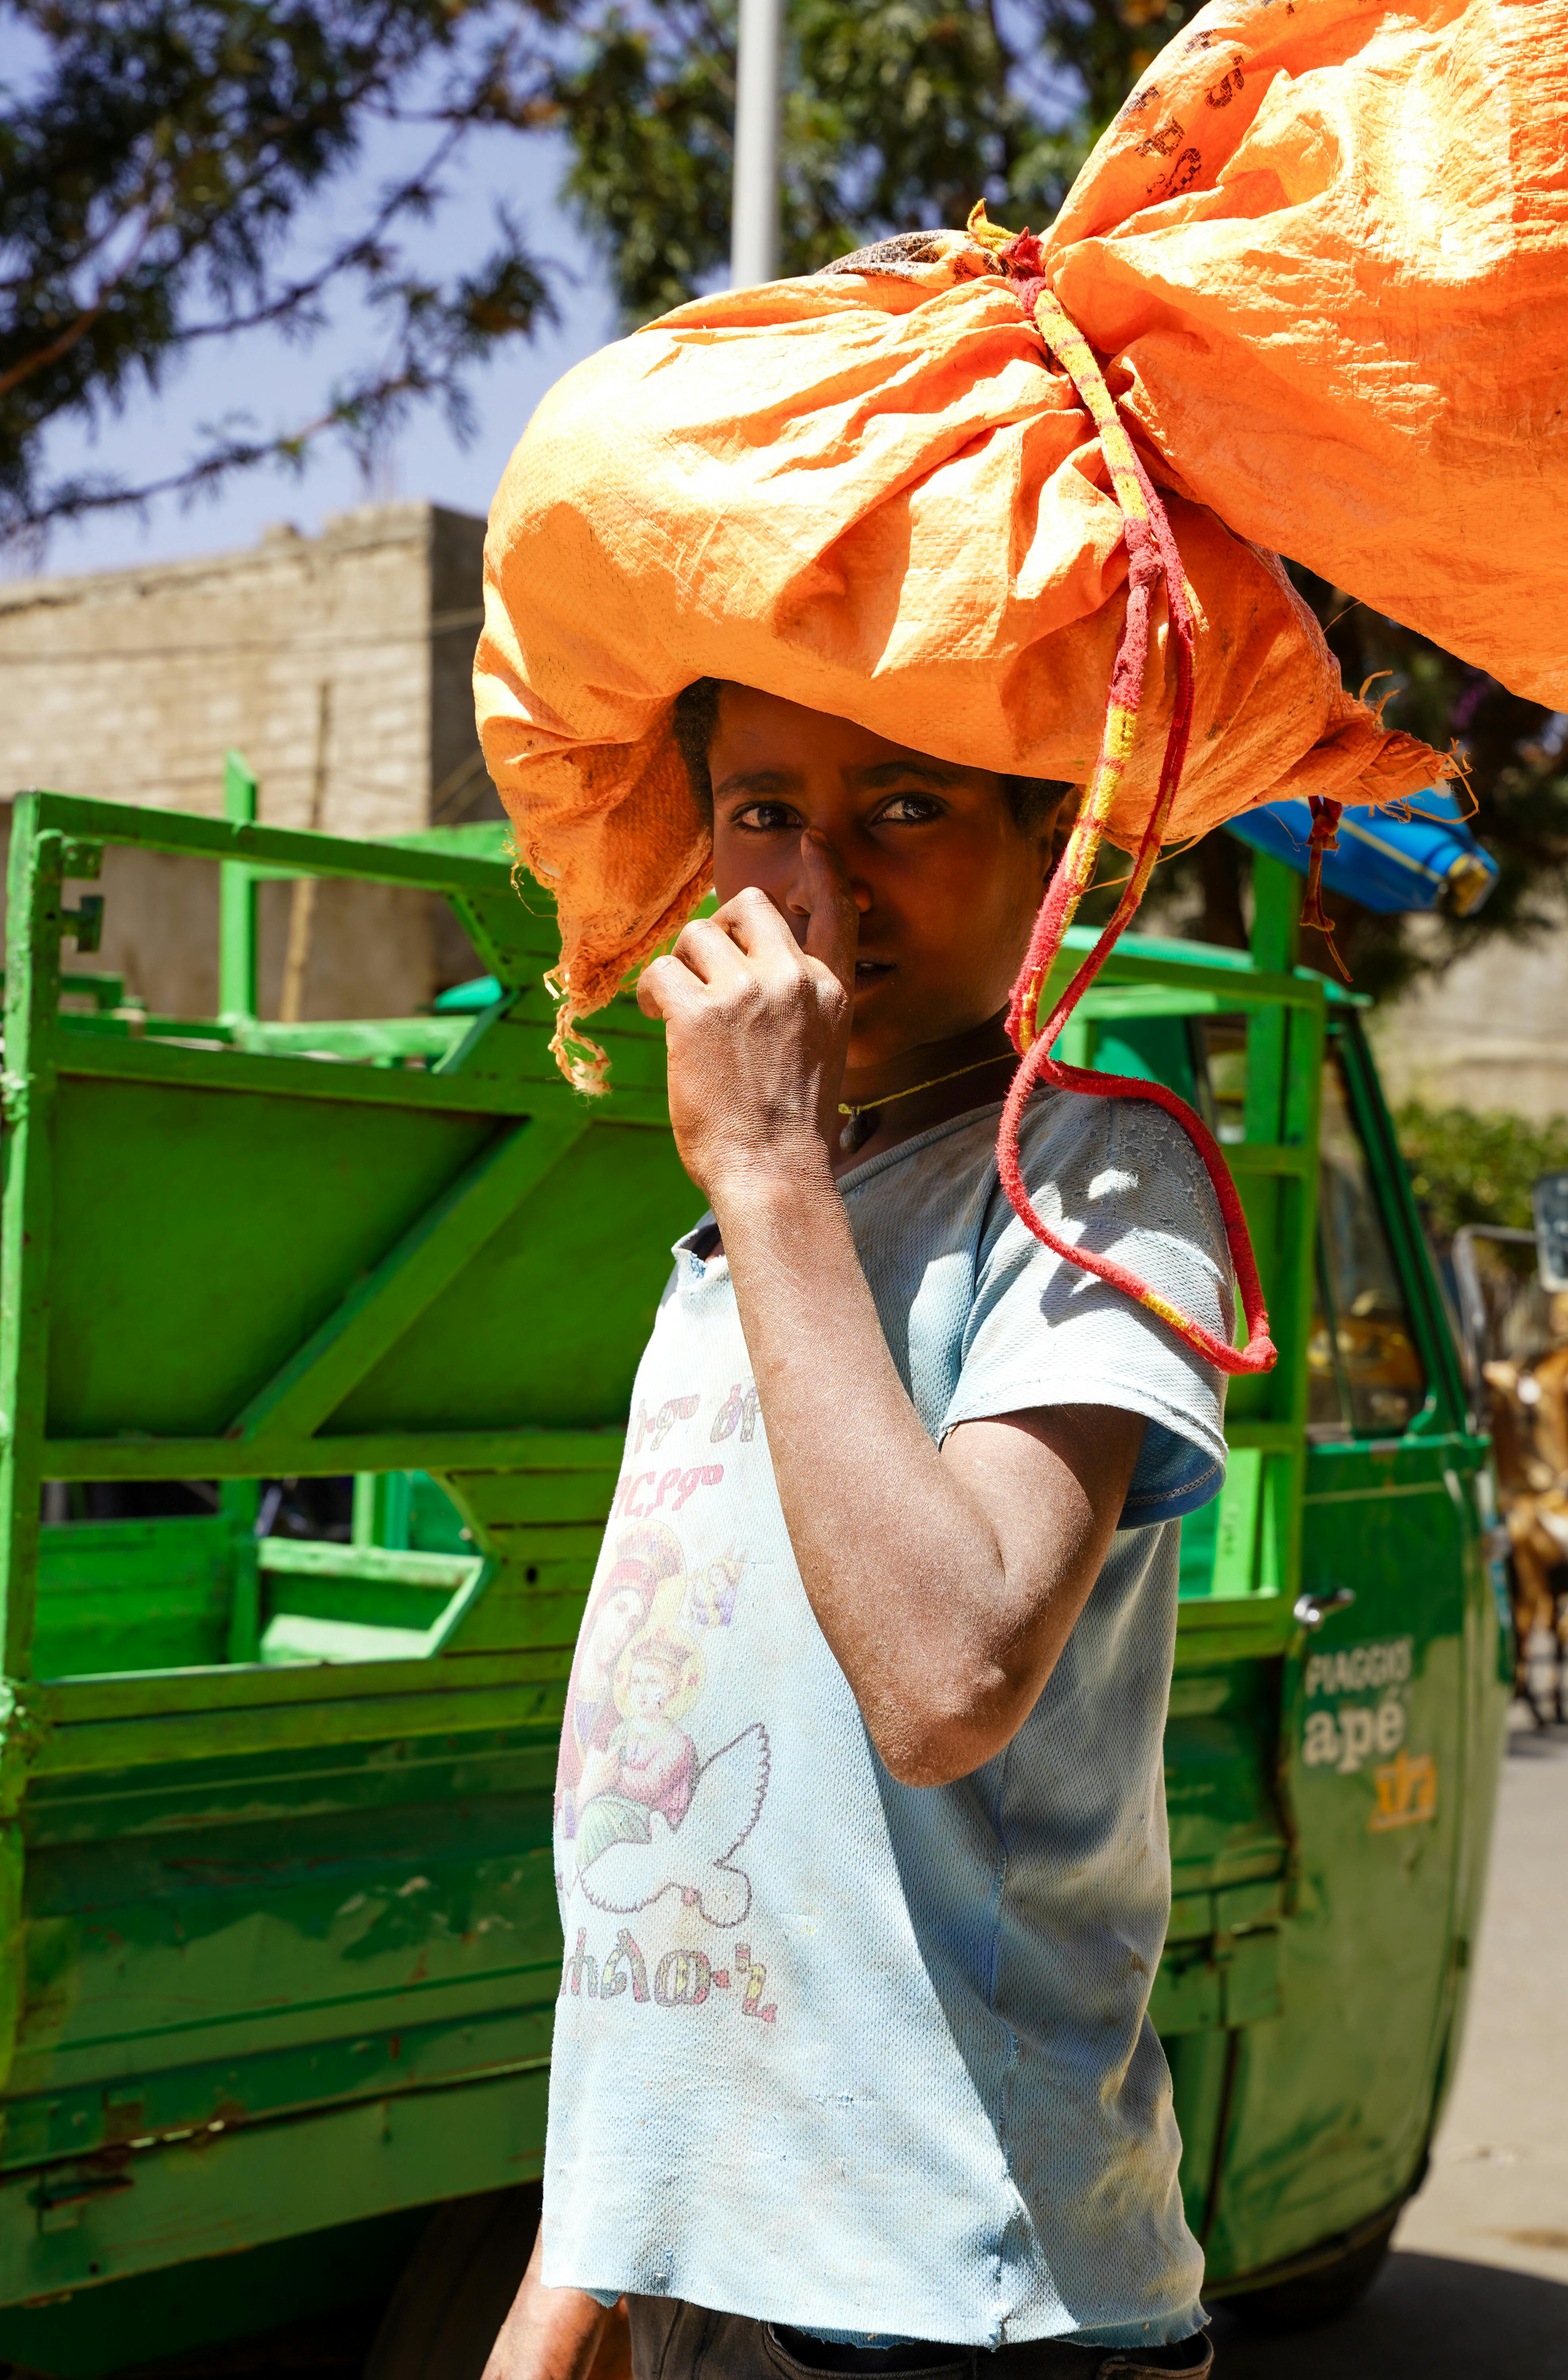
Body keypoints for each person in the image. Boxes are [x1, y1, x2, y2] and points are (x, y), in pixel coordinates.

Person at [485, 678, 1236, 2380]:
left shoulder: (1091, 1186)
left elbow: (941, 1681)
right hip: (713, 2280)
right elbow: (695, 1830)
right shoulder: (738, 1247)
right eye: (762, 816)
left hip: (962, 2301)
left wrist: (764, 1170)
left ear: (1055, 841)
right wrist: (585, 2248)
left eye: (905, 811)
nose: (820, 891)